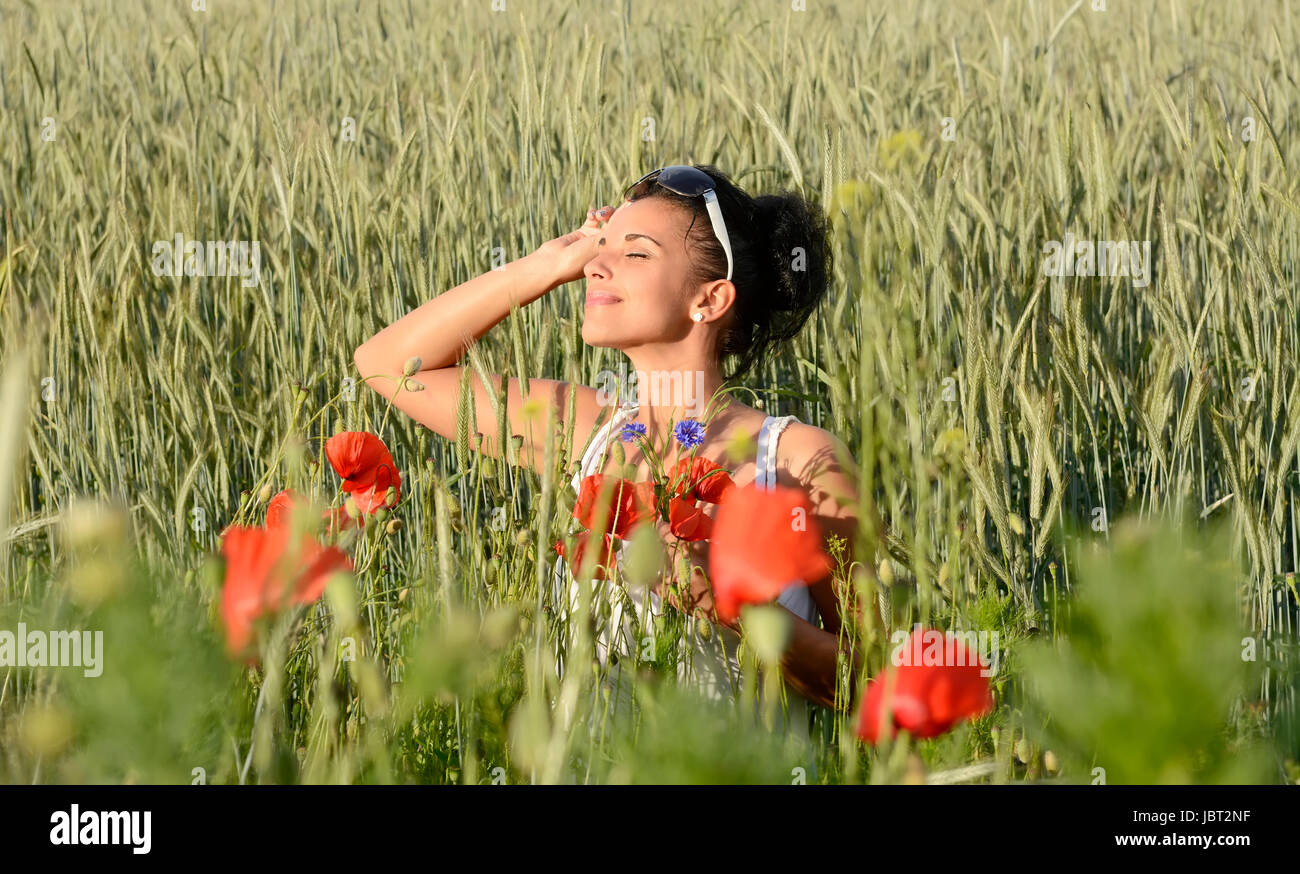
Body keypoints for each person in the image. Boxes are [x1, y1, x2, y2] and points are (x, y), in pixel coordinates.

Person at [353, 164, 868, 747]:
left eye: (636, 253)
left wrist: (730, 607)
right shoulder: (586, 430)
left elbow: (872, 684)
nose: (596, 265)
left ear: (710, 298)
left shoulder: (797, 460)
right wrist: (546, 265)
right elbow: (388, 366)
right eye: (601, 247)